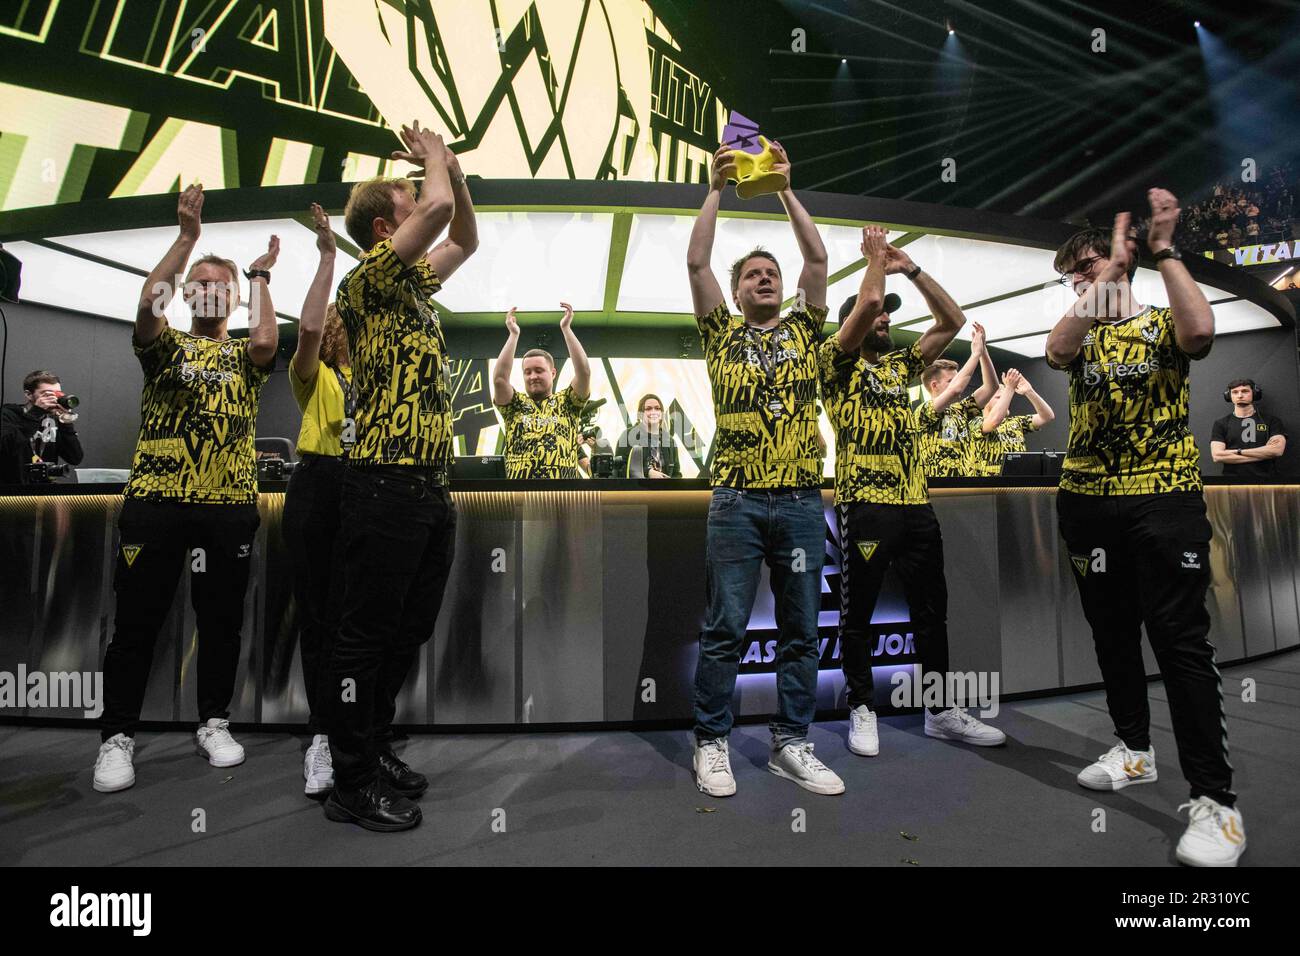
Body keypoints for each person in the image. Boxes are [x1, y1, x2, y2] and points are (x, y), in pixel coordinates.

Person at [1046, 188, 1244, 867]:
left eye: (1088, 265)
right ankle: (1133, 751)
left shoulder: (1160, 324)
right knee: (1111, 634)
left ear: (1123, 261)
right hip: (1088, 502)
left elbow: (1201, 334)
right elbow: (1057, 350)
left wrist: (1161, 252)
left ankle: (1216, 803)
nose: (1080, 280)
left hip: (1161, 503)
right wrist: (1100, 281)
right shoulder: (1085, 331)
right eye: (1074, 274)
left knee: (1181, 645)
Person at [92, 184, 281, 793]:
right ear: (188, 290)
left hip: (227, 507)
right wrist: (187, 240)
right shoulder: (166, 345)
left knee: (221, 622)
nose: (208, 289)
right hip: (156, 500)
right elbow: (150, 307)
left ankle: (214, 721)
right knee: (136, 624)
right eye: (199, 282)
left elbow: (266, 343)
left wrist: (256, 278)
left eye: (217, 283)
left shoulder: (243, 355)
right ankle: (118, 736)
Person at [326, 120, 479, 831]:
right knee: (365, 635)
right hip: (383, 480)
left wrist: (454, 172)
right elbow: (440, 212)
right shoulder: (369, 277)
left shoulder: (413, 284)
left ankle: (376, 744)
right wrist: (437, 163)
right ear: (387, 225)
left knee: (405, 632)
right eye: (407, 195)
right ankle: (349, 782)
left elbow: (464, 235)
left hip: (425, 486)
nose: (423, 195)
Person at [686, 138, 841, 797]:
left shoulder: (805, 328)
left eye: (769, 274)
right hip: (738, 502)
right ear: (737, 290)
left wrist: (782, 184)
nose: (766, 278)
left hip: (804, 503)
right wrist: (717, 187)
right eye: (752, 274)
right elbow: (696, 259)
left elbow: (817, 256)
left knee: (802, 630)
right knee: (725, 628)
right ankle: (712, 743)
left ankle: (792, 744)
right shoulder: (720, 331)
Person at [820, 226, 1005, 760]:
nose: (884, 318)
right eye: (875, 316)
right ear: (851, 323)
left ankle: (941, 712)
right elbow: (871, 297)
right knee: (858, 616)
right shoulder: (835, 364)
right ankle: (862, 707)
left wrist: (913, 270)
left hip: (915, 504)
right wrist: (876, 262)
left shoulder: (901, 366)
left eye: (888, 317)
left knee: (931, 610)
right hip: (865, 505)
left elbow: (952, 320)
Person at [281, 203, 345, 797]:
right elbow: (305, 331)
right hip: (319, 484)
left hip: (372, 488)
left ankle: (360, 726)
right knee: (321, 618)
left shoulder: (383, 381)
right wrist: (328, 255)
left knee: (368, 619)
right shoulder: (315, 374)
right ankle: (323, 735)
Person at [492, 303, 590, 479]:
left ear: (553, 373)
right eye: (527, 372)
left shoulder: (567, 402)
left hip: (563, 495)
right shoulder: (515, 405)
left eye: (539, 370)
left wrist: (566, 329)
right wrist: (513, 335)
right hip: (521, 497)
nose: (532, 376)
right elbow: (500, 380)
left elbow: (583, 373)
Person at [915, 328, 997, 478]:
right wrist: (975, 354)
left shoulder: (961, 409)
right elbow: (955, 389)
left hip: (963, 486)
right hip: (934, 488)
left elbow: (991, 387)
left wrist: (983, 351)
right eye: (950, 381)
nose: (960, 383)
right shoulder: (925, 410)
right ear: (934, 385)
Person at [0, 370, 84, 484]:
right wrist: (35, 413)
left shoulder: (54, 419)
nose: (54, 399)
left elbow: (75, 458)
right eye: (47, 394)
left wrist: (66, 422)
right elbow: (6, 447)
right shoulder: (8, 415)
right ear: (28, 394)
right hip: (12, 490)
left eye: (57, 394)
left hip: (44, 489)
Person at [970, 369, 1056, 476]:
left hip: (1017, 484)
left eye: (1005, 397)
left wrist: (1029, 391)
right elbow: (993, 422)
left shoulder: (1016, 422)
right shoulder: (974, 422)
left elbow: (1047, 416)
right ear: (985, 401)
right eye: (999, 397)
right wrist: (1009, 388)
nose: (1006, 401)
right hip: (989, 486)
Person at [1210, 379, 1286, 477]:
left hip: (1267, 481)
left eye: (1245, 391)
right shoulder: (1220, 424)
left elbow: (1276, 451)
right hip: (1232, 483)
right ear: (1229, 396)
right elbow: (1217, 456)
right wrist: (1264, 454)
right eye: (1235, 392)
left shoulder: (1272, 421)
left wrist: (1238, 451)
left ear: (1255, 393)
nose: (1240, 395)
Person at [617, 394, 680, 478]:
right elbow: (619, 468)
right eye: (648, 408)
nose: (653, 411)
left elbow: (676, 474)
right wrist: (648, 473)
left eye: (657, 408)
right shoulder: (627, 435)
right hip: (637, 489)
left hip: (664, 490)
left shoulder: (670, 441)